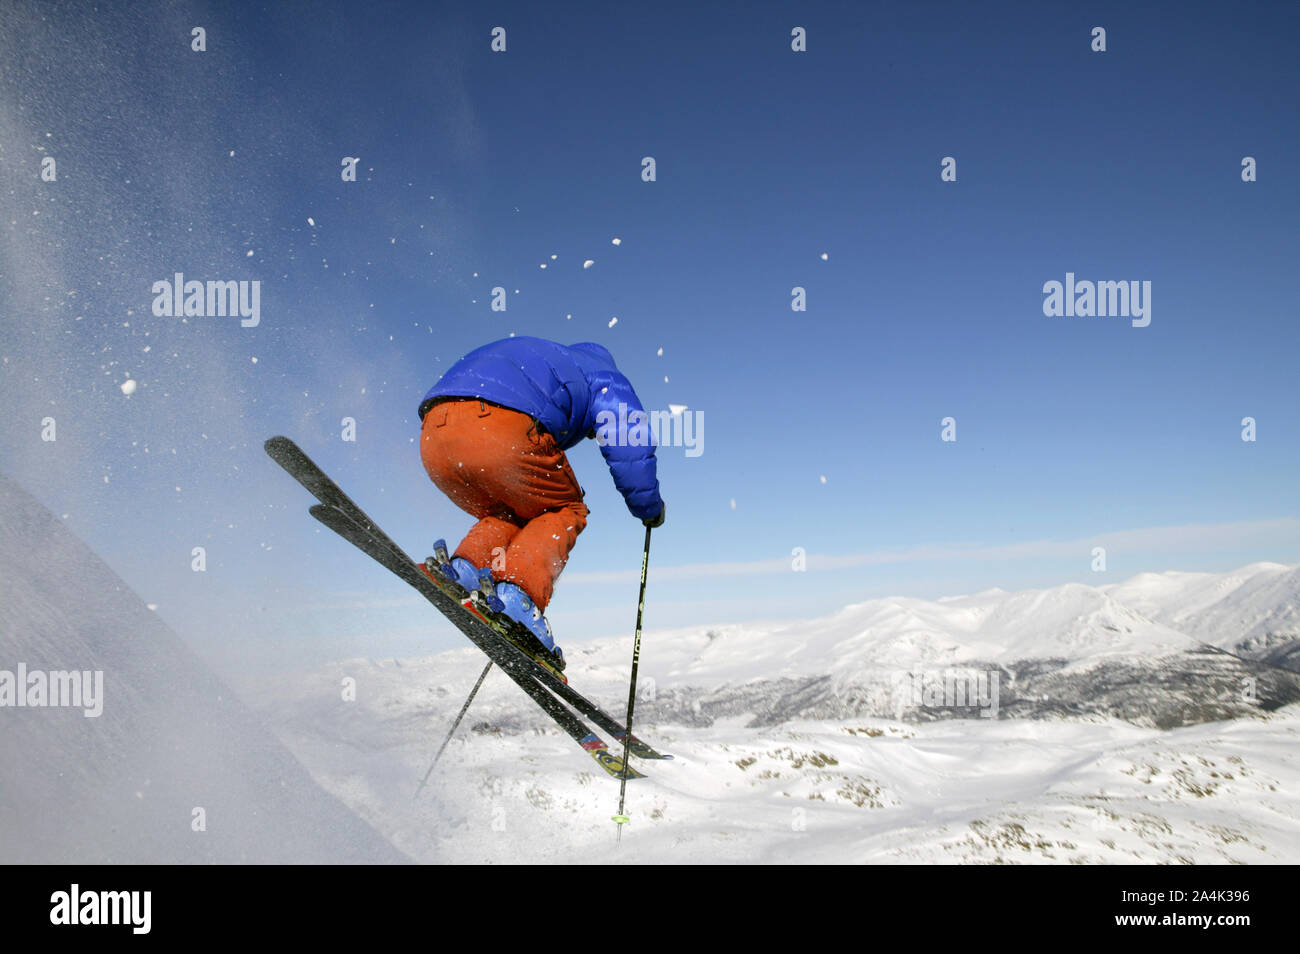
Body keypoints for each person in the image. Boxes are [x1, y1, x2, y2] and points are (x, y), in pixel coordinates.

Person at [418, 337, 665, 664]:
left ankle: (465, 569)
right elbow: (627, 440)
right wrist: (649, 508)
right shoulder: (604, 378)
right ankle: (517, 600)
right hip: (497, 426)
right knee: (564, 508)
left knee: (511, 511)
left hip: (433, 436)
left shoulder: (545, 360)